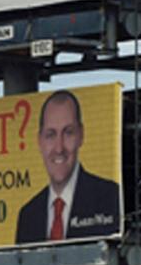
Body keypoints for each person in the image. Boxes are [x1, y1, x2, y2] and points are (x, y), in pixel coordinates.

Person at [14, 89, 121, 245]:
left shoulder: (109, 197)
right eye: (51, 135)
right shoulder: (28, 215)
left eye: (68, 133)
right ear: (40, 141)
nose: (59, 148)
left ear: (81, 135)